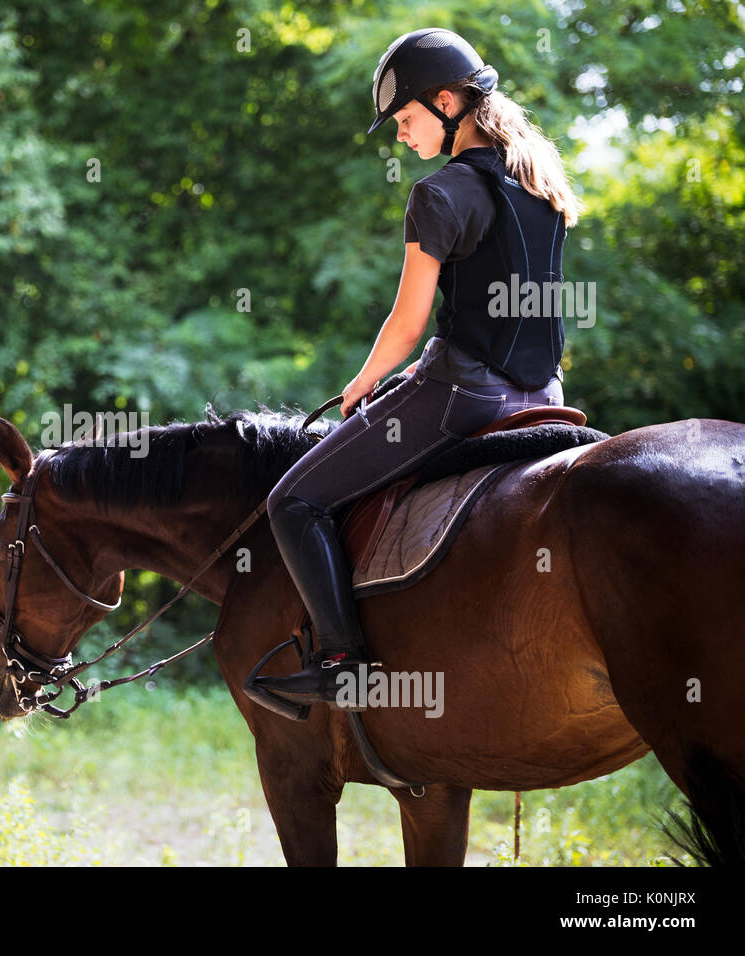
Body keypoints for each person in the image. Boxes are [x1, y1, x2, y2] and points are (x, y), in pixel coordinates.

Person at [244, 27, 583, 717]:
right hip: (546, 396)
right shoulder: (539, 182)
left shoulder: (440, 193)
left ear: (448, 101)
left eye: (405, 119)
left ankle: (343, 662)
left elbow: (406, 325)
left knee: (293, 502)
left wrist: (364, 382)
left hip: (465, 397)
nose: (401, 136)